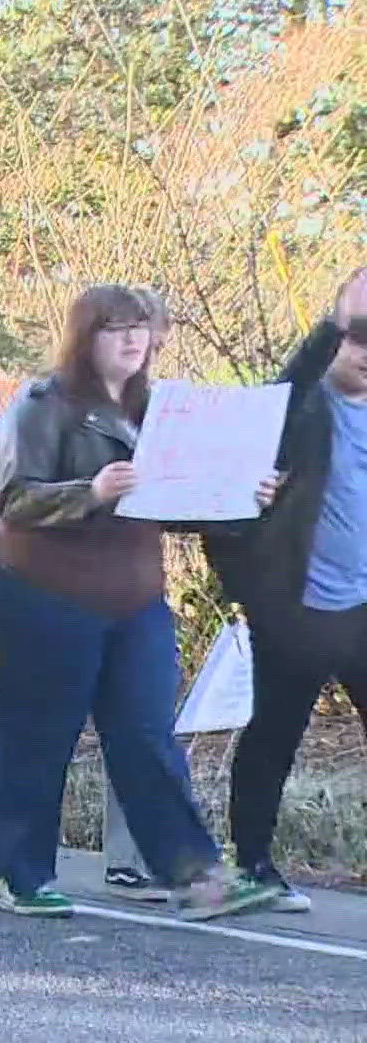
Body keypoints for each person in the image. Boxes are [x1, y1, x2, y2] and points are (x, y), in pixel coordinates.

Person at [0, 283, 277, 920]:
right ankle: (20, 873)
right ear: (85, 338)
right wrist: (91, 489)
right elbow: (17, 499)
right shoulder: (42, 403)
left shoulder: (166, 409)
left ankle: (195, 876)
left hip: (132, 593)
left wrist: (245, 494)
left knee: (145, 733)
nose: (133, 340)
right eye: (115, 328)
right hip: (42, 590)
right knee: (40, 733)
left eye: (140, 327)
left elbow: (184, 503)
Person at [208, 267, 367, 914]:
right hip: (296, 604)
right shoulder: (296, 408)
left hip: (361, 605)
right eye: (357, 341)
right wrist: (334, 323)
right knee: (276, 731)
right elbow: (292, 378)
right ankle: (253, 863)